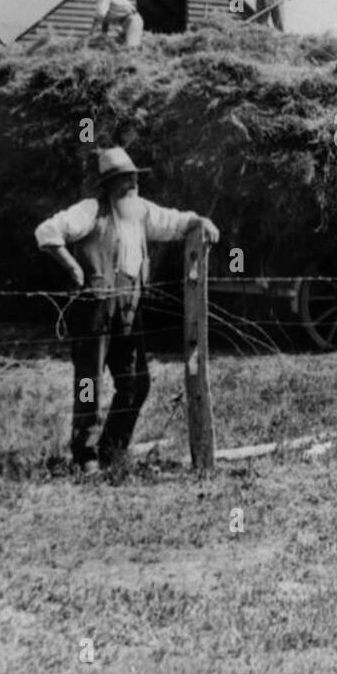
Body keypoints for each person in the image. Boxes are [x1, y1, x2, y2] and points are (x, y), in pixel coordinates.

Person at [35, 147, 220, 474]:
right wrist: (73, 268)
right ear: (108, 185)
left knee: (136, 382)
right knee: (89, 382)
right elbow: (47, 232)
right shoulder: (91, 209)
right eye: (124, 181)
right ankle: (85, 456)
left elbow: (173, 221)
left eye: (134, 179)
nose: (131, 186)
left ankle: (113, 449)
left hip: (129, 311)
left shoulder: (141, 213)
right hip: (94, 310)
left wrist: (200, 221)